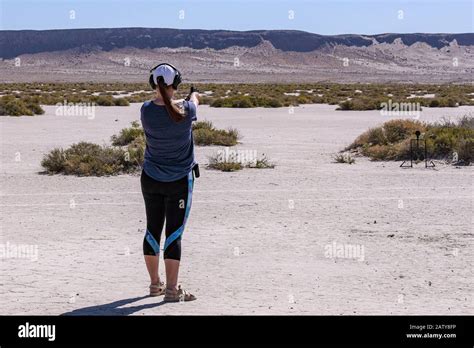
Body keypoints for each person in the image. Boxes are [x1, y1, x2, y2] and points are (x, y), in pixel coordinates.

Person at [140, 63, 199, 302]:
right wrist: (193, 94)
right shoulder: (186, 109)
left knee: (152, 229)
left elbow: (165, 106)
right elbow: (194, 103)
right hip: (179, 181)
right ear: (176, 84)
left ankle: (155, 285)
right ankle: (172, 290)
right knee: (174, 234)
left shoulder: (145, 110)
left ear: (153, 83)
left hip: (151, 178)